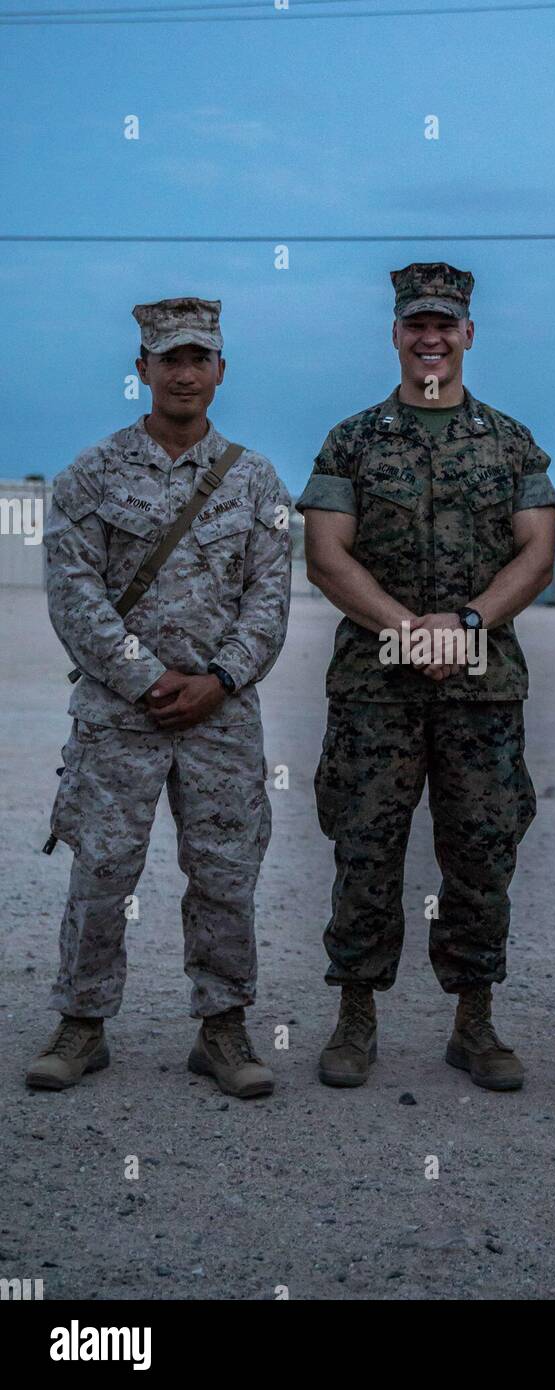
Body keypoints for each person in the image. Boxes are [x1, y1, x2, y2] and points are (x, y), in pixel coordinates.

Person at [296, 262, 555, 1091]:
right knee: (365, 848)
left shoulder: (512, 441)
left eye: (445, 325)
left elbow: (539, 554)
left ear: (469, 335)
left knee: (481, 851)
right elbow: (325, 554)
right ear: (397, 336)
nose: (431, 338)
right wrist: (409, 630)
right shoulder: (352, 440)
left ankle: (475, 1024)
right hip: (376, 685)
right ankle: (355, 1018)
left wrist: (469, 624)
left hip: (481, 688)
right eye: (417, 325)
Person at [27, 297, 291, 1100]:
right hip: (119, 714)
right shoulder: (91, 474)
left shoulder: (256, 481)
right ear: (141, 370)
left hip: (222, 716)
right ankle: (81, 1024)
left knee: (223, 874)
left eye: (198, 358)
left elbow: (271, 598)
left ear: (221, 371)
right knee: (102, 871)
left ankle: (222, 1027)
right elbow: (73, 596)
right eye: (167, 358)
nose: (183, 372)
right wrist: (146, 678)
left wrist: (218, 680)